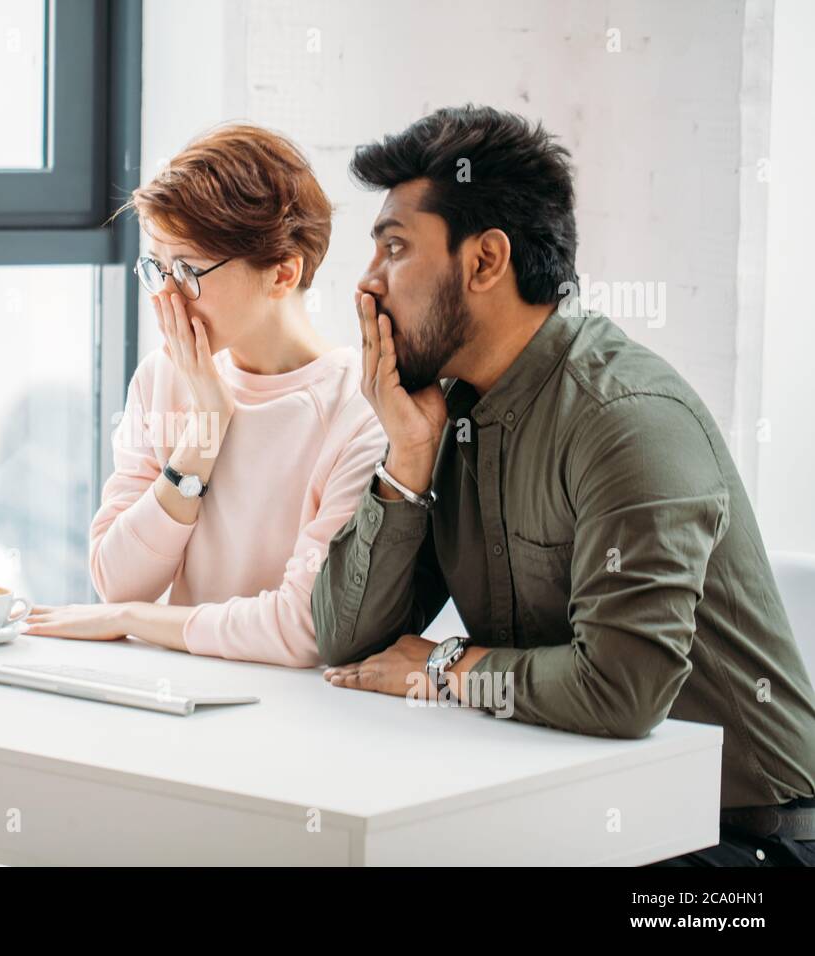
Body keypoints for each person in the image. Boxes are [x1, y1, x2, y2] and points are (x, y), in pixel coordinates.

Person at [311, 104, 815, 865]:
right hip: (582, 805)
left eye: (393, 249)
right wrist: (408, 460)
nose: (367, 284)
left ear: (484, 262)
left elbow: (621, 689)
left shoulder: (628, 419)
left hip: (741, 843)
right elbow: (348, 639)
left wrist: (446, 666)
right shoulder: (447, 417)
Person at [23, 124, 385, 666]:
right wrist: (203, 434)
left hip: (298, 721)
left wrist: (133, 622)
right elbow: (118, 582)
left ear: (283, 273)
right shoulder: (163, 378)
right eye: (157, 266)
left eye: (188, 269)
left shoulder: (360, 412)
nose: (166, 294)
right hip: (174, 703)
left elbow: (303, 629)